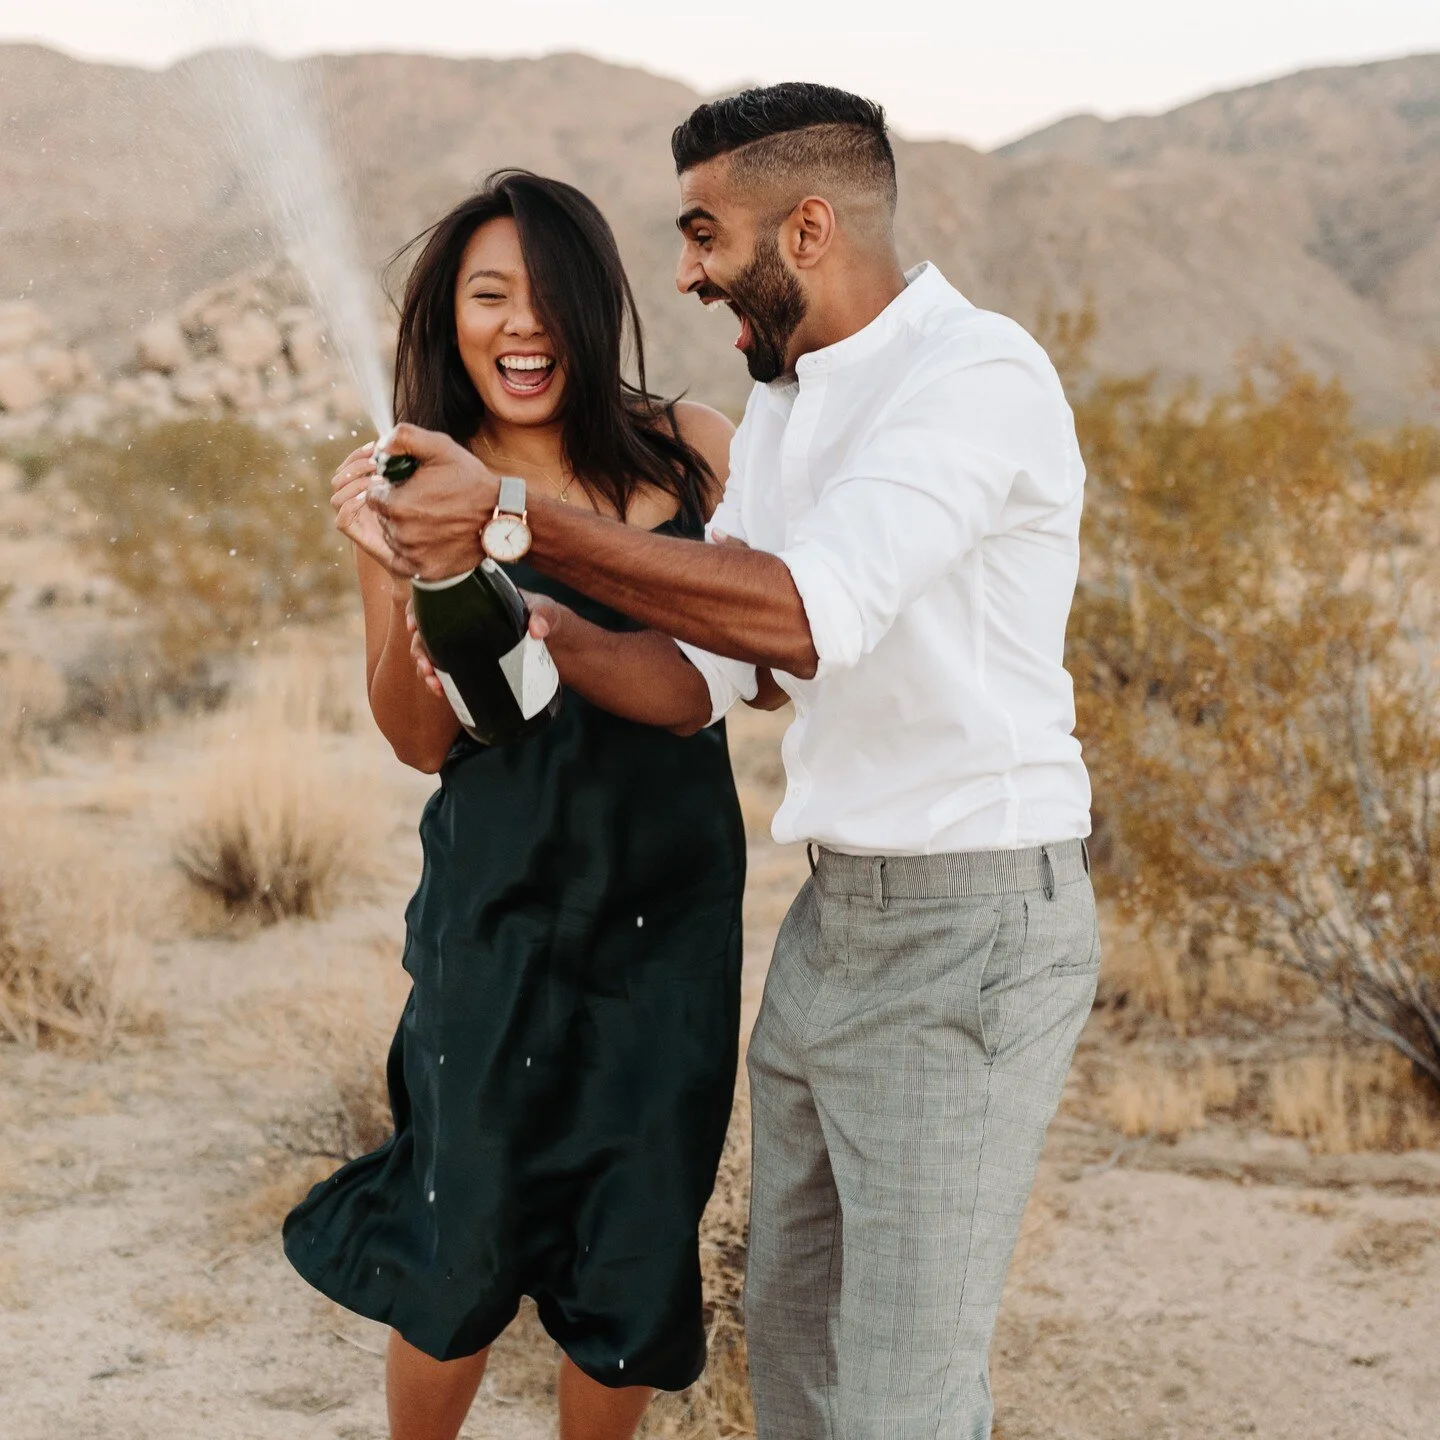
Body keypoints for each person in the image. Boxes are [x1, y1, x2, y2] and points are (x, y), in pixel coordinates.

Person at [370, 84, 1100, 1440]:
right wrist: (539, 628)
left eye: (707, 237)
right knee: (799, 1353)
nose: (690, 275)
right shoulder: (785, 414)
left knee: (899, 1387)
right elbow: (703, 678)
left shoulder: (972, 375)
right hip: (837, 921)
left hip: (977, 921)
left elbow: (803, 615)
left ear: (808, 227)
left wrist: (519, 519)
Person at [283, 170, 751, 1440]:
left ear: (597, 313)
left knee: (639, 1240)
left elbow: (754, 672)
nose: (521, 325)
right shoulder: (412, 478)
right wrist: (397, 573)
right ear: (451, 316)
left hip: (673, 916)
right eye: (490, 295)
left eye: (550, 297)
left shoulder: (696, 446)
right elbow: (420, 736)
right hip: (499, 917)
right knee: (460, 1241)